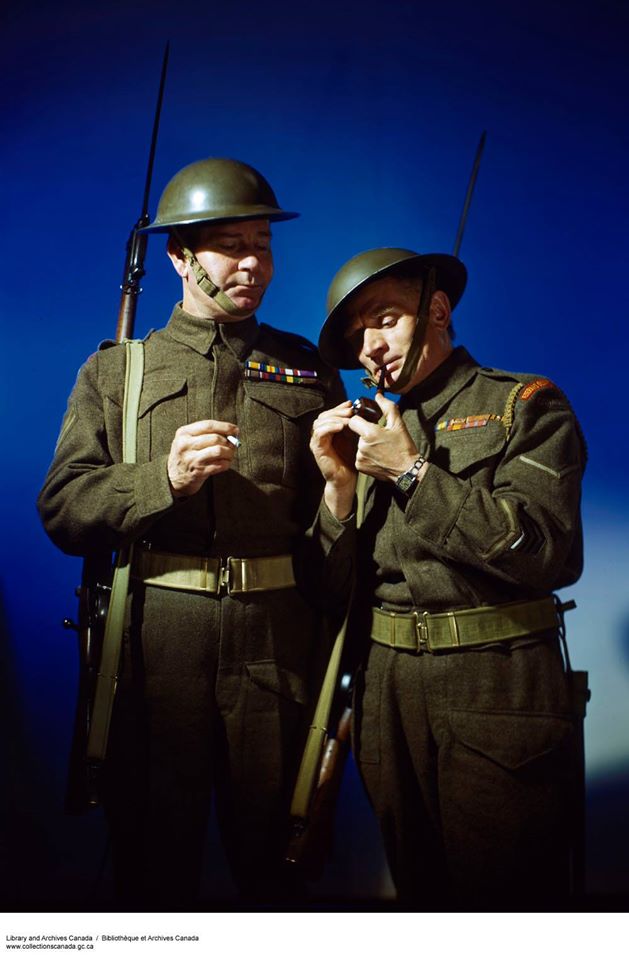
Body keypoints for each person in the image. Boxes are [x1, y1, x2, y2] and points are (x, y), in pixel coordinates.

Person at [37, 157, 345, 907]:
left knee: (277, 864)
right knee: (153, 864)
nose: (252, 262)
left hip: (276, 647)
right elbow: (64, 509)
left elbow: (334, 532)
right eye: (231, 245)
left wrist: (341, 492)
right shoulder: (119, 371)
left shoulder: (306, 371)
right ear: (179, 257)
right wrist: (160, 480)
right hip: (157, 649)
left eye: (263, 247)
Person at [309, 247, 587, 908]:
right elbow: (330, 591)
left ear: (436, 311)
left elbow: (546, 550)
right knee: (420, 900)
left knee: (507, 905)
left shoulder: (522, 404)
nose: (369, 345)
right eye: (357, 334)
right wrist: (339, 491)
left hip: (494, 684)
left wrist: (412, 473)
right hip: (388, 694)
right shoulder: (362, 430)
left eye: (384, 320)